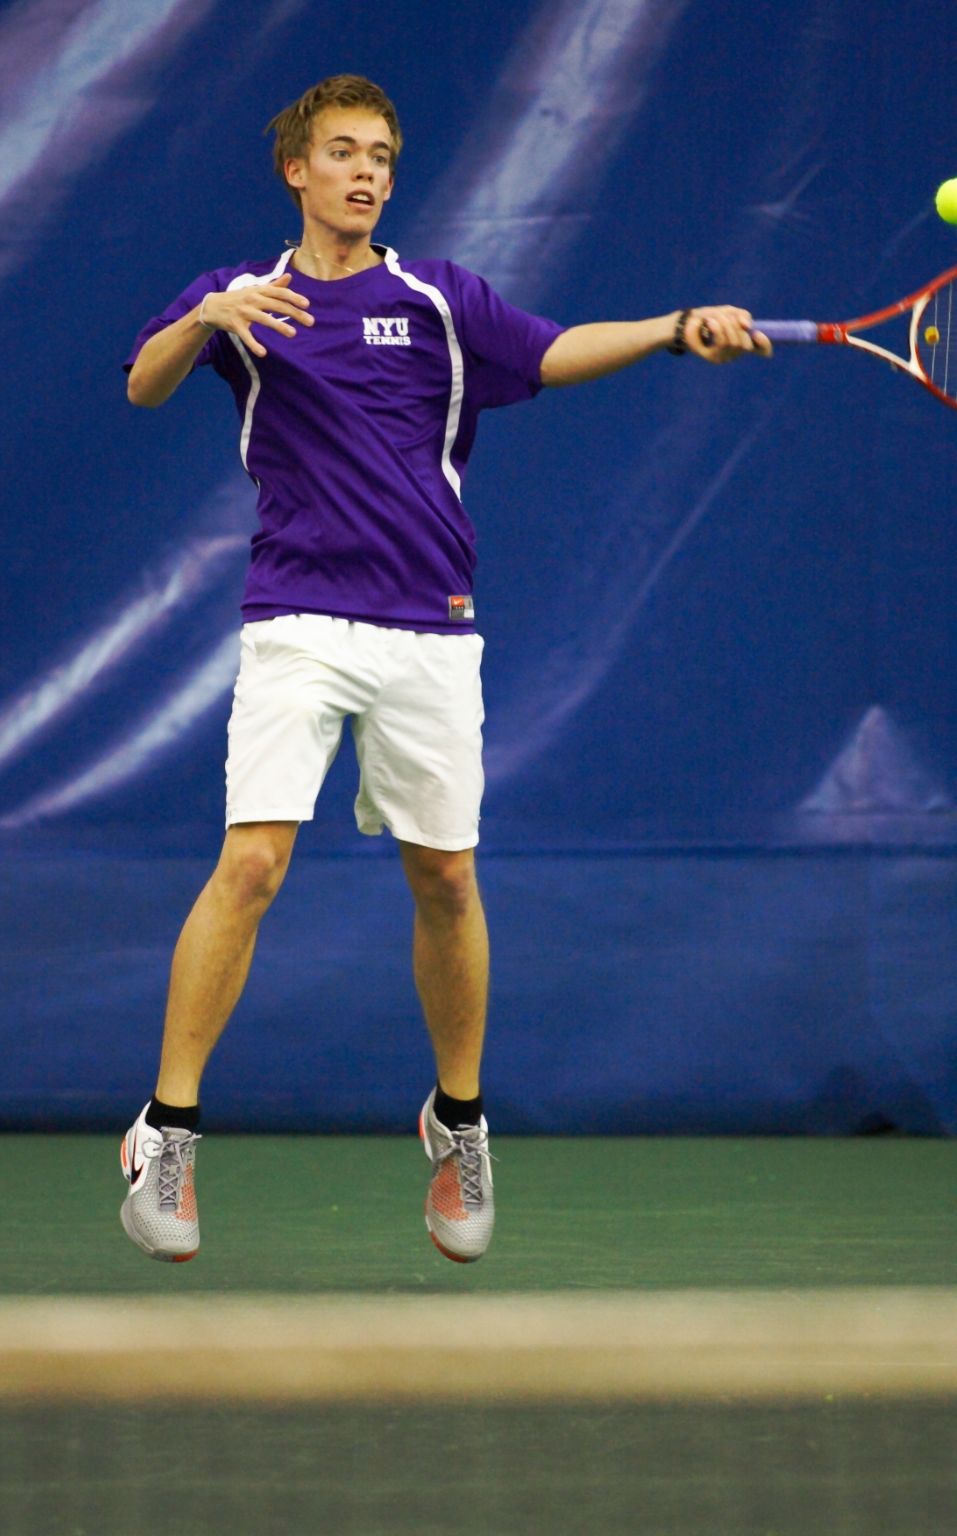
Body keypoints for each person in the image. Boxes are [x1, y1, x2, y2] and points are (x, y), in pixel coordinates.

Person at [119, 73, 770, 1266]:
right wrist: (203, 322)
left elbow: (553, 350)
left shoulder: (435, 301)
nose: (365, 172)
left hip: (430, 626)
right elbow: (143, 381)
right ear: (296, 171)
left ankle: (459, 1120)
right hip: (298, 619)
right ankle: (167, 1131)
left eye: (381, 156)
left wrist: (674, 327)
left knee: (448, 883)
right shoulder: (243, 297)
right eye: (342, 152)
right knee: (254, 862)